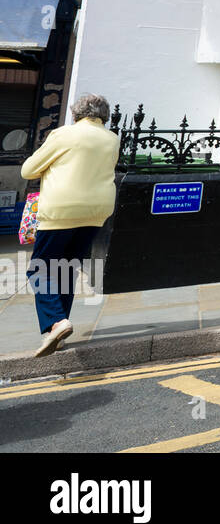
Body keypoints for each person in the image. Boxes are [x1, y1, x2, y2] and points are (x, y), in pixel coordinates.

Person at [21, 94, 121, 357]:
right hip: (96, 212)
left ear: (76, 114)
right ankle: (58, 334)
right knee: (67, 269)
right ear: (104, 116)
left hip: (61, 212)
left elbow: (28, 170)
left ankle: (56, 322)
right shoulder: (112, 139)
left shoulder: (62, 135)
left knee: (39, 270)